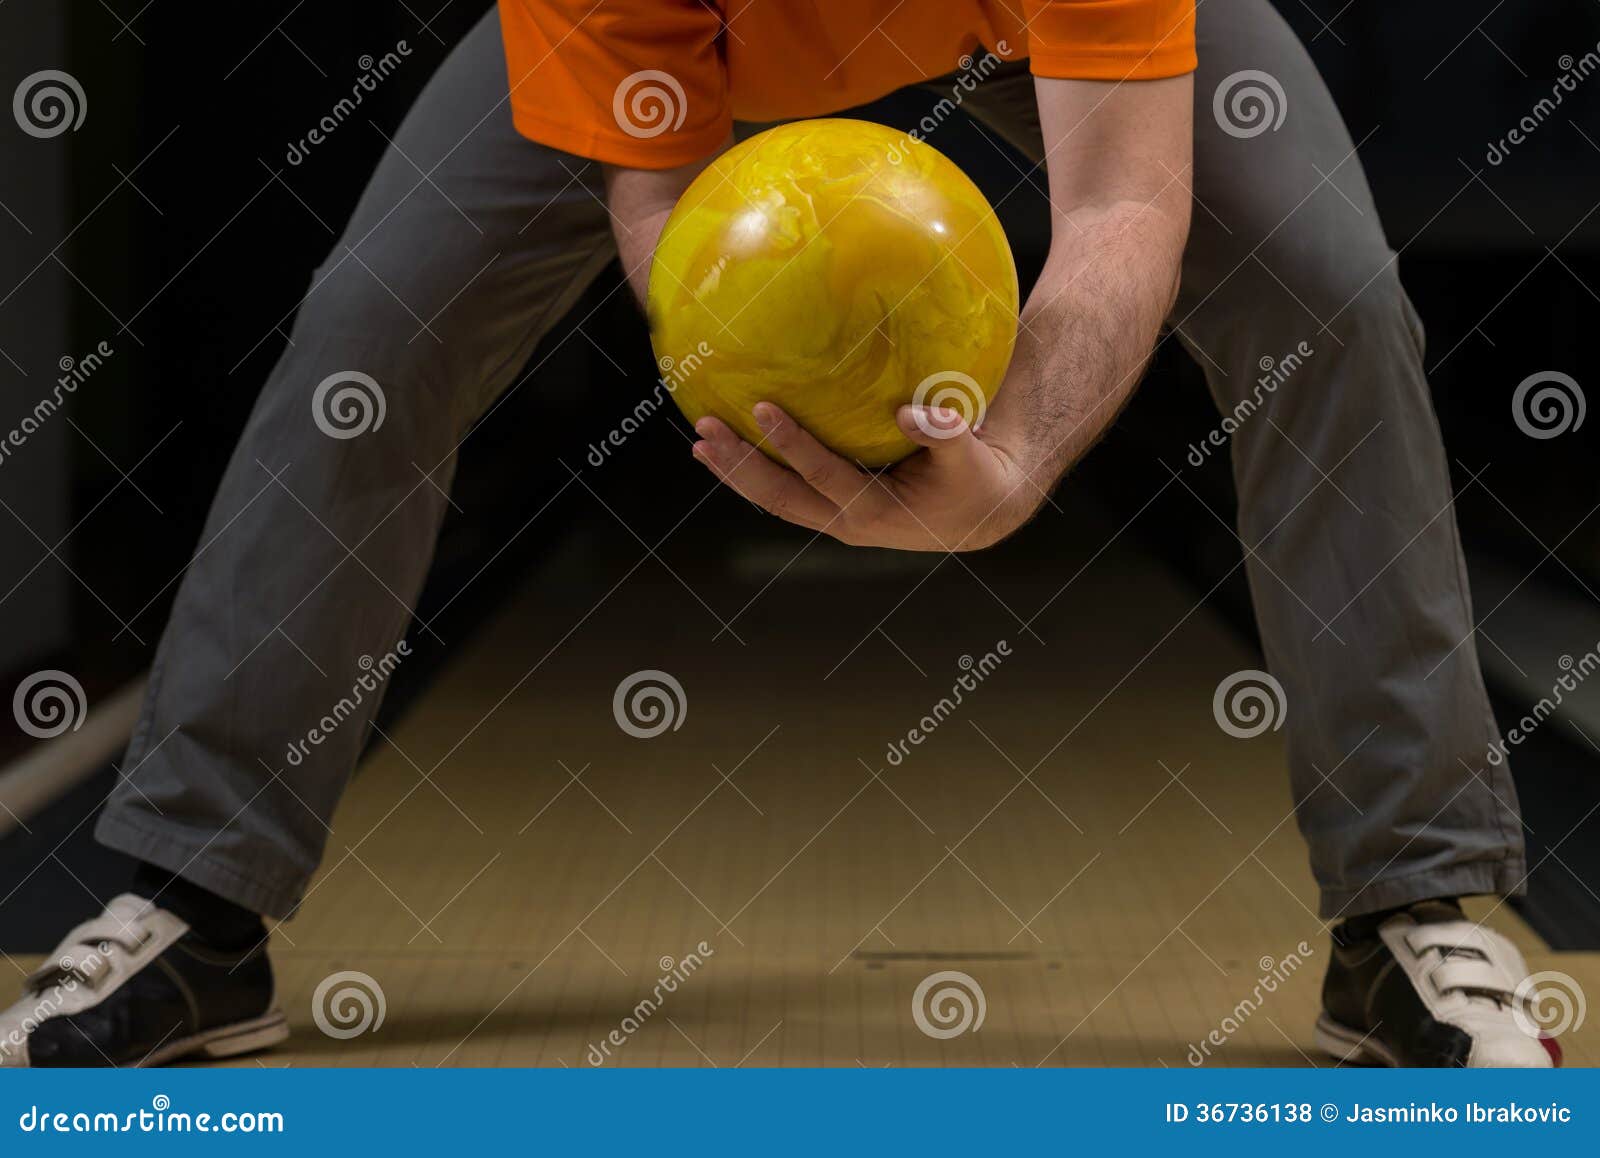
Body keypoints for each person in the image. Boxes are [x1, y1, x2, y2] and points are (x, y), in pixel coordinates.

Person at [0, 0, 1553, 1068]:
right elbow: (671, 223)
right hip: (700, 53)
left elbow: (1123, 209)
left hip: (1021, 30)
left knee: (1330, 299)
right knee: (369, 338)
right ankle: (196, 904)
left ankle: (1408, 905)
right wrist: (769, 415)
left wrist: (1012, 453)